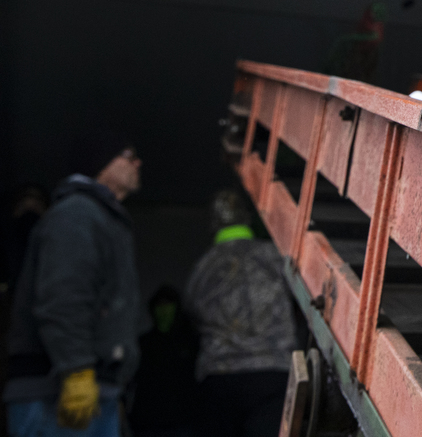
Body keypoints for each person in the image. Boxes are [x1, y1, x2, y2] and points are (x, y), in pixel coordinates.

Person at [5, 131, 142, 437]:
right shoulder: (77, 215)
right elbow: (64, 296)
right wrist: (77, 369)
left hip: (91, 391)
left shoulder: (99, 219)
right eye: (128, 155)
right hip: (56, 394)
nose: (137, 163)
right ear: (103, 164)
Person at [185, 190, 298, 437]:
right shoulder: (274, 257)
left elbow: (190, 312)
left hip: (219, 377)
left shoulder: (203, 266)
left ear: (213, 224)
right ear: (249, 219)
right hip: (272, 374)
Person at [127, 285, 198, 437]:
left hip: (183, 423)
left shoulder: (191, 343)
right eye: (160, 305)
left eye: (168, 305)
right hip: (147, 424)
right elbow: (129, 380)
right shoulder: (144, 344)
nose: (164, 310)